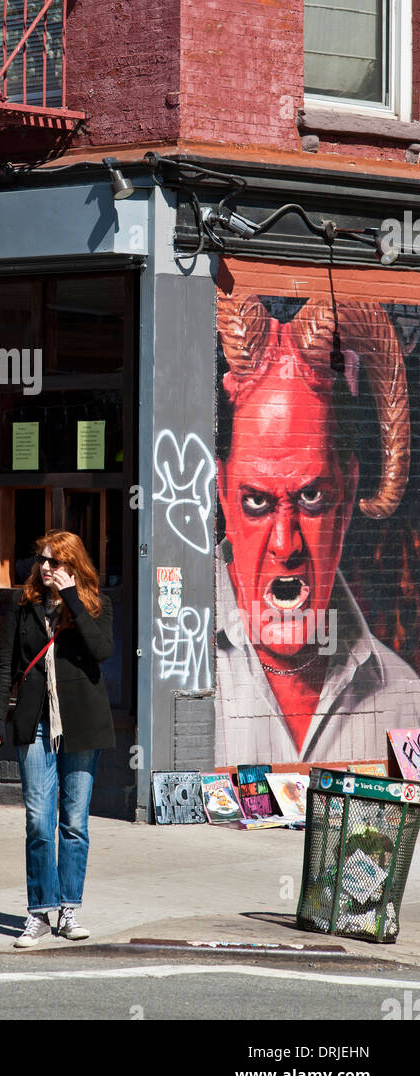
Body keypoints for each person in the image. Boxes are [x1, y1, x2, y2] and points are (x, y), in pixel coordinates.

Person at [215, 294, 420, 763]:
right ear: (223, 492)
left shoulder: (405, 700)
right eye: (256, 502)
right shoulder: (182, 667)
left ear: (347, 494)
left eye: (311, 497)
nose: (285, 545)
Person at [0, 530, 114, 948]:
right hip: (35, 721)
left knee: (73, 822)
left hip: (82, 723)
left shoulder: (96, 605)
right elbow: (6, 664)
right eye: (41, 561)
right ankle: (40, 912)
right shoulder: (23, 609)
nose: (44, 569)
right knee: (39, 821)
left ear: (72, 567)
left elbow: (101, 651)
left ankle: (69, 908)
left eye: (54, 562)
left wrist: (73, 598)